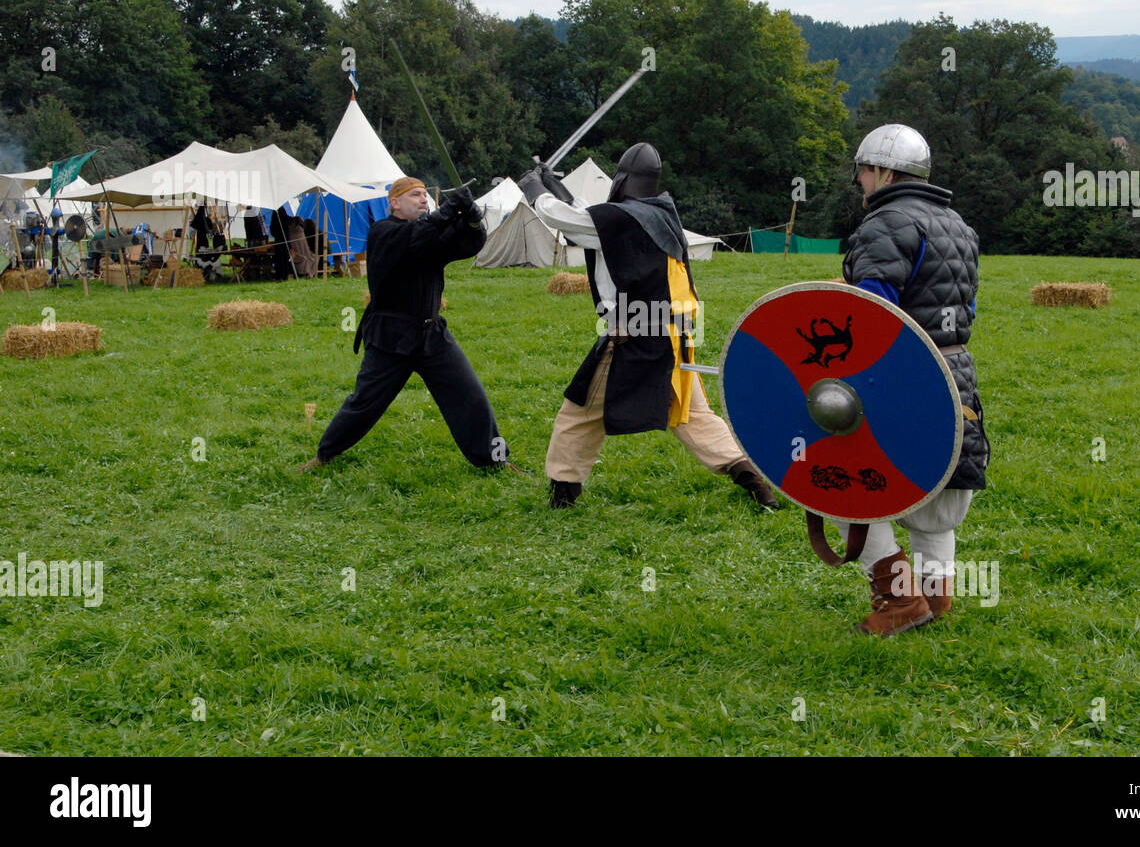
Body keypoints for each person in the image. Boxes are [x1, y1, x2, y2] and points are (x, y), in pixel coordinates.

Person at [519, 144, 779, 511]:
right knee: (692, 415)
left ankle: (563, 494)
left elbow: (569, 222)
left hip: (633, 341)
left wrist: (534, 190)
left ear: (622, 178)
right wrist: (552, 183)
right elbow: (588, 216)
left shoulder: (622, 221)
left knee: (578, 414)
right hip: (674, 336)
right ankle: (755, 483)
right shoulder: (660, 213)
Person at [839, 123, 990, 636]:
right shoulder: (959, 225)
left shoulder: (886, 223)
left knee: (834, 476)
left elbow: (873, 315)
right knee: (939, 481)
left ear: (883, 170)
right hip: (956, 369)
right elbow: (965, 307)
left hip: (898, 375)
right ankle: (934, 596)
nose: (859, 179)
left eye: (862, 169)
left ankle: (900, 599)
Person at [299, 176, 515, 473]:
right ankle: (324, 455)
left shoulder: (429, 233)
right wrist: (447, 213)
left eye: (425, 194)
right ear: (395, 203)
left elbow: (465, 245)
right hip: (391, 338)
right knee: (364, 404)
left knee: (470, 396)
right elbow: (413, 238)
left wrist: (473, 222)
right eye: (415, 195)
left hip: (432, 335)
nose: (423, 199)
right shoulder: (383, 233)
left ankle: (496, 460)